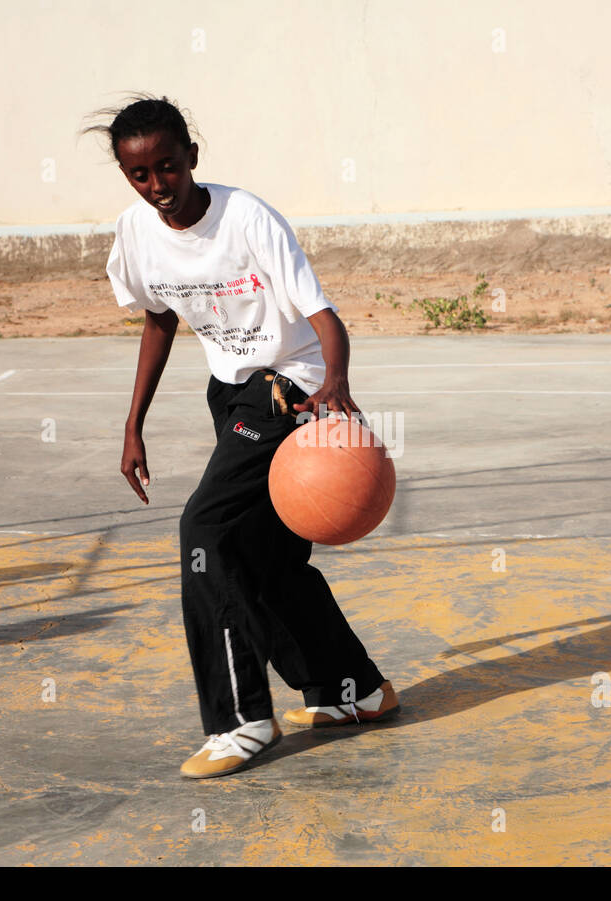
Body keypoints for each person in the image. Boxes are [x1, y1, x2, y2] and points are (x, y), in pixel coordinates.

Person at [88, 95, 398, 779]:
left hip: (290, 389)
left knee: (207, 533)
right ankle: (354, 690)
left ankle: (241, 720)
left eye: (167, 167)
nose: (157, 185)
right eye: (139, 175)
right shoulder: (137, 233)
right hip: (231, 394)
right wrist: (132, 426)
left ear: (191, 157)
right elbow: (158, 320)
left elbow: (324, 315)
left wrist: (336, 387)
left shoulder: (247, 218)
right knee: (266, 560)